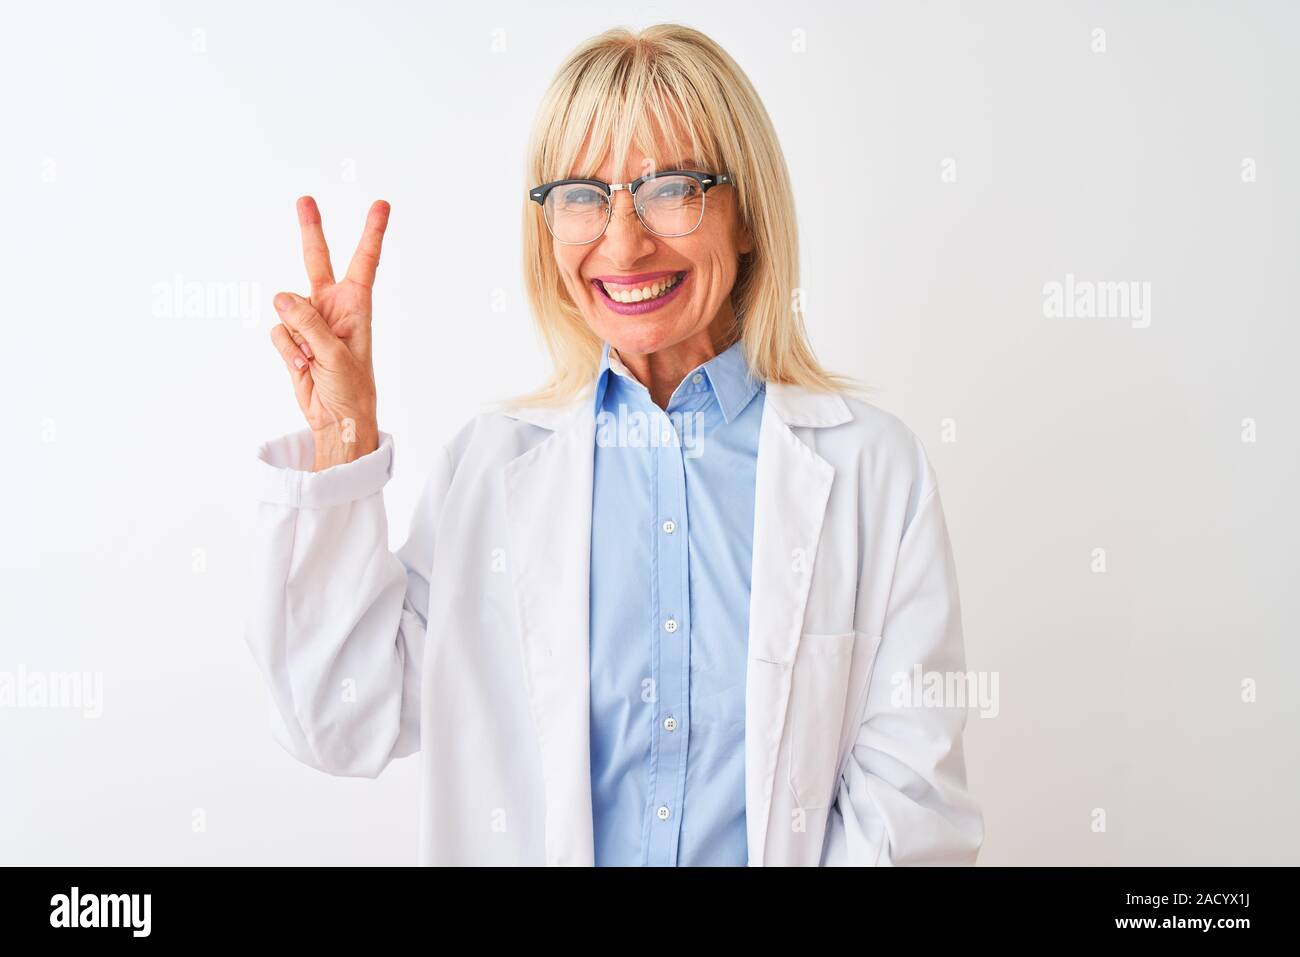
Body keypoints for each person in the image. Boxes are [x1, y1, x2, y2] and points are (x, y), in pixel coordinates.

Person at [247, 23, 983, 866]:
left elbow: (912, 814)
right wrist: (344, 438)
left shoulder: (872, 473)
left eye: (671, 189)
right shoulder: (487, 471)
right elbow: (338, 718)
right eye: (582, 196)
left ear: (748, 217)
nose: (624, 241)